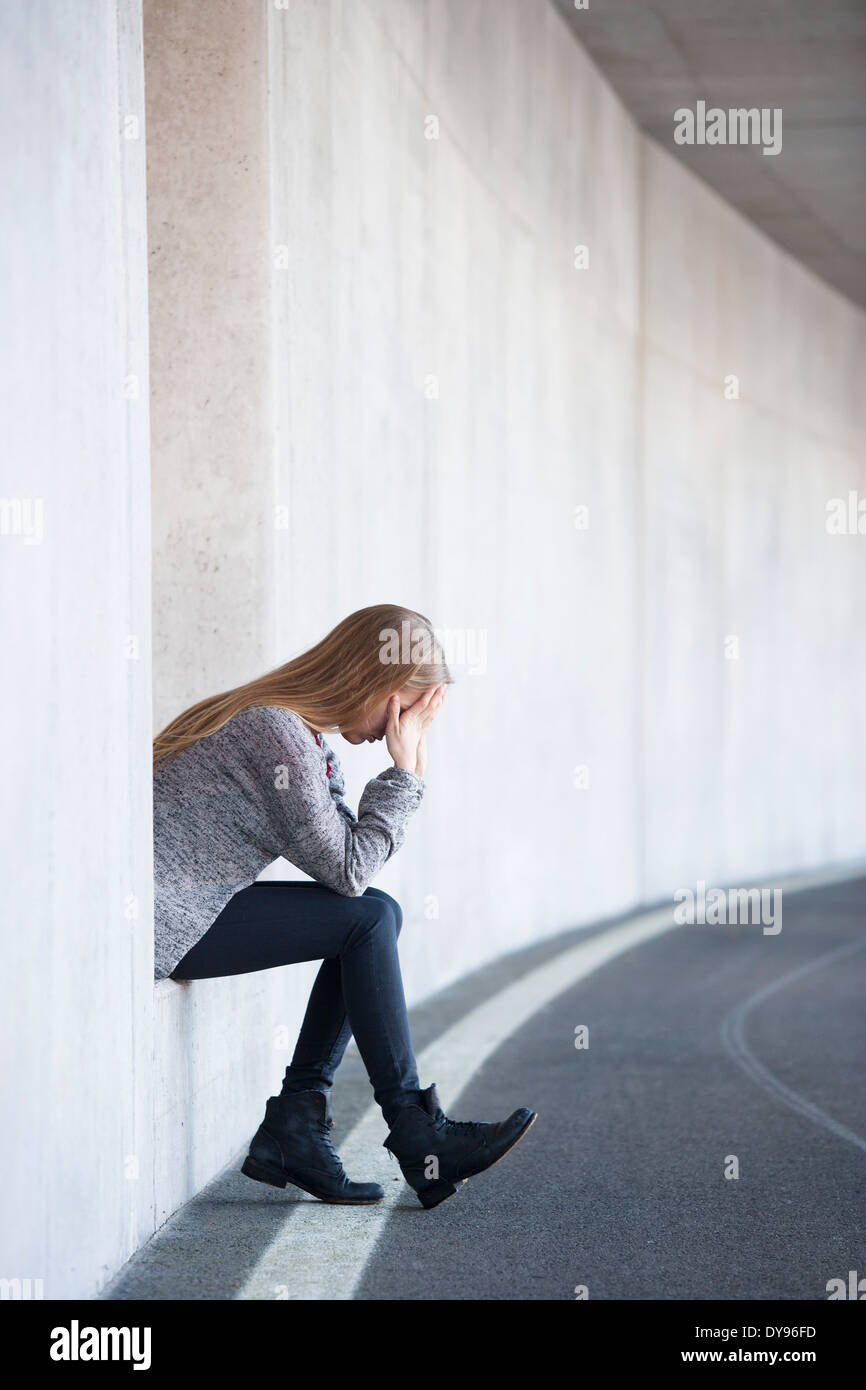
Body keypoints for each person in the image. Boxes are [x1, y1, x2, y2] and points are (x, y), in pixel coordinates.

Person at [153, 603, 536, 1210]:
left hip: (192, 907)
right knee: (370, 917)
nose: (398, 729)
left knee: (376, 914)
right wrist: (405, 773)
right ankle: (412, 1133)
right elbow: (349, 870)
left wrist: (403, 772)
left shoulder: (298, 737)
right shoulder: (276, 736)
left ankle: (300, 1124)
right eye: (405, 711)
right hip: (169, 920)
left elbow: (347, 864)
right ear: (374, 682)